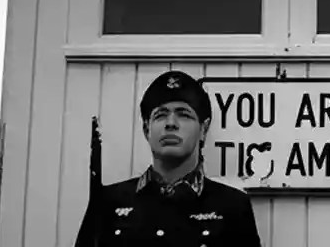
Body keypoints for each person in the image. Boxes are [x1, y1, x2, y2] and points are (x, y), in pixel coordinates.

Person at [76, 69, 262, 246]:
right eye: (161, 115)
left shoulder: (233, 206)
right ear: (146, 129)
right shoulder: (107, 203)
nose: (171, 124)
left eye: (184, 115)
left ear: (203, 129)